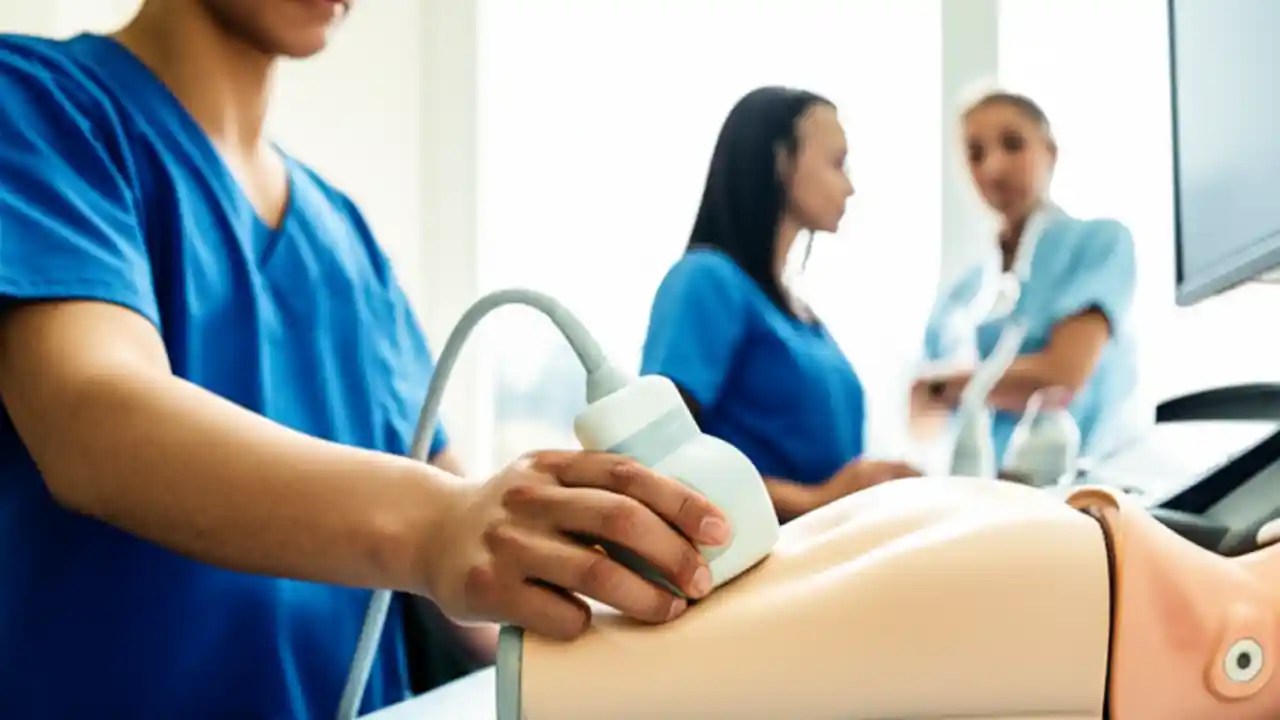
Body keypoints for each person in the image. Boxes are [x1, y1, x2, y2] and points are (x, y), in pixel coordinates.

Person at [0, 1, 730, 718]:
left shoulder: (347, 241)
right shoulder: (36, 105)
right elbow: (90, 423)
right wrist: (440, 526)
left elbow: (475, 565)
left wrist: (615, 586)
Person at [639, 86, 919, 523]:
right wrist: (817, 500)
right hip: (758, 554)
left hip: (827, 548)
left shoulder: (802, 318)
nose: (849, 186)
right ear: (781, 160)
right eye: (836, 163)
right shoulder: (706, 280)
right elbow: (655, 458)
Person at [914, 91, 1142, 465]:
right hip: (975, 489)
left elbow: (1063, 376)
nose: (994, 168)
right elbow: (921, 419)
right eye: (976, 154)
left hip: (1079, 481)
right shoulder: (961, 295)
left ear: (1050, 151)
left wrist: (942, 385)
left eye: (1013, 144)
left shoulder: (1099, 245)